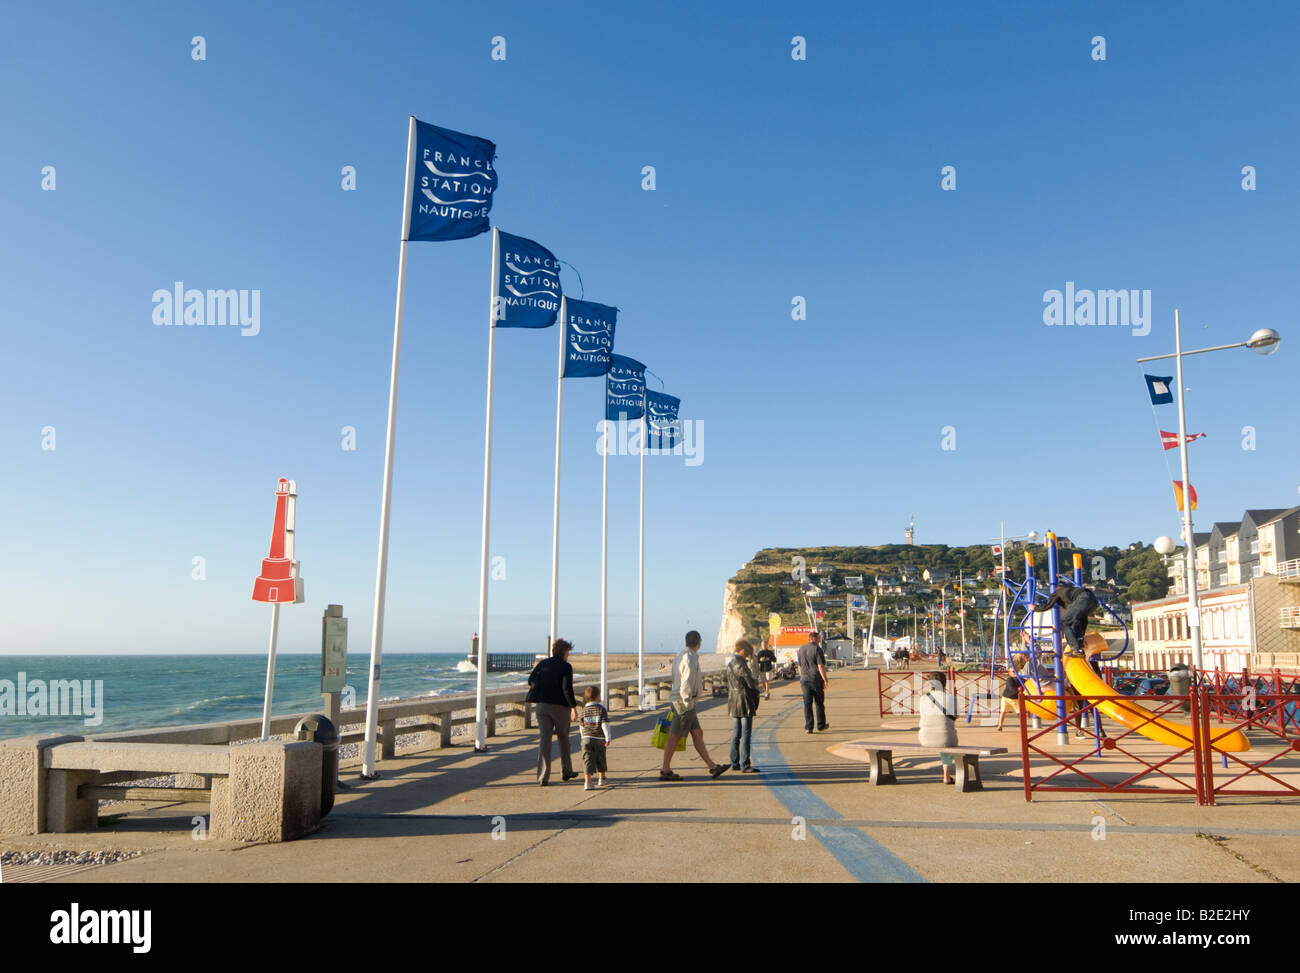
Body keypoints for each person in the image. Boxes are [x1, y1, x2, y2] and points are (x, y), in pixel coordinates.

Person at [660, 630, 729, 781]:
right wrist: (687, 702)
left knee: (697, 733)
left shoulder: (681, 655)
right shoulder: (690, 659)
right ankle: (665, 769)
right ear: (698, 642)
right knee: (674, 736)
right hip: (684, 703)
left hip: (683, 700)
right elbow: (686, 683)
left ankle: (712, 766)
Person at [527, 638, 581, 786]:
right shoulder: (566, 666)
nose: (568, 655)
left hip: (542, 706)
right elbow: (567, 689)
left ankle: (543, 777)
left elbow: (530, 680)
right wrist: (573, 708)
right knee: (563, 738)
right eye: (568, 652)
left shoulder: (543, 663)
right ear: (564, 652)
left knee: (545, 739)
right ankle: (566, 771)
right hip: (559, 707)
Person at [1029, 582, 1101, 657]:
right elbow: (1083, 621)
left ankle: (1076, 649)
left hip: (1082, 599)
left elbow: (1047, 605)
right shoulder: (1071, 592)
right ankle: (1080, 643)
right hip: (1093, 600)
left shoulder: (1057, 592)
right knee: (1078, 621)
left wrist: (1035, 607)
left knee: (1064, 623)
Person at [727, 639, 762, 773]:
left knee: (736, 733)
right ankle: (745, 764)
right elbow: (749, 682)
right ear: (743, 650)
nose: (748, 655)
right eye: (747, 652)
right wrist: (755, 687)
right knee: (746, 733)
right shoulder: (740, 663)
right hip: (744, 700)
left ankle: (734, 762)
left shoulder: (730, 663)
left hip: (733, 700)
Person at [918, 670, 959, 784]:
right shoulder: (951, 698)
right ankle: (946, 775)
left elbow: (922, 715)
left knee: (941, 732)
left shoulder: (923, 699)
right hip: (946, 739)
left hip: (925, 738)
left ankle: (946, 775)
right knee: (946, 736)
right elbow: (956, 716)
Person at [578, 685, 612, 790]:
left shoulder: (583, 710)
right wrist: (608, 738)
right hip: (599, 739)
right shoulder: (601, 709)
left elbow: (581, 726)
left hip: (586, 738)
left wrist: (583, 737)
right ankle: (602, 778)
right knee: (600, 758)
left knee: (587, 759)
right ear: (597, 697)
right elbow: (604, 724)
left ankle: (588, 782)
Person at [797, 631, 829, 733]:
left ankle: (809, 727)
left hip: (804, 680)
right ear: (814, 638)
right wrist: (825, 679)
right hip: (815, 679)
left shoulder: (801, 649)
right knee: (819, 703)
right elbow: (820, 666)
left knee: (807, 704)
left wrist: (801, 676)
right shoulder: (817, 649)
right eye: (818, 638)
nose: (820, 640)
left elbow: (799, 666)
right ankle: (821, 725)